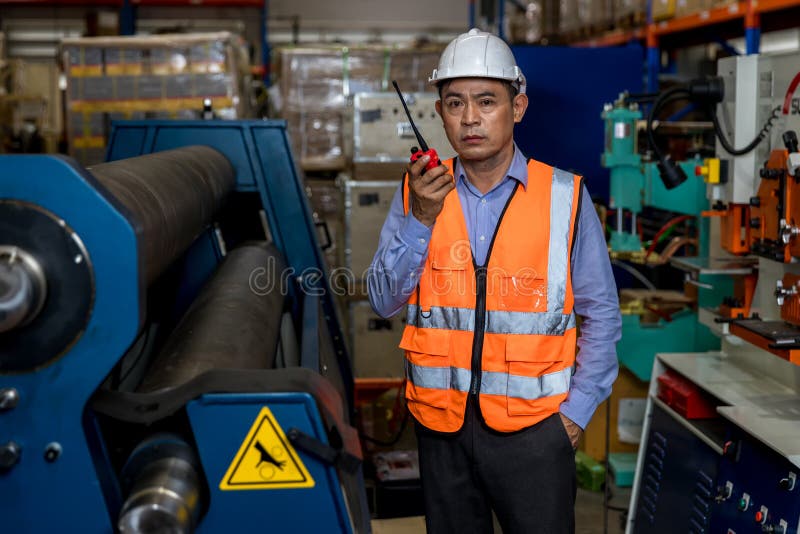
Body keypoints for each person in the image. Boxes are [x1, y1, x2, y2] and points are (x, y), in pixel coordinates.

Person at [367, 28, 621, 534]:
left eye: (487, 101)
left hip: (535, 434)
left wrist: (574, 416)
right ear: (439, 113)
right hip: (442, 431)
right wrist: (420, 218)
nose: (470, 118)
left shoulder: (564, 198)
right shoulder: (419, 192)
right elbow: (382, 300)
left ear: (518, 107)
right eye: (455, 103)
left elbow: (602, 314)